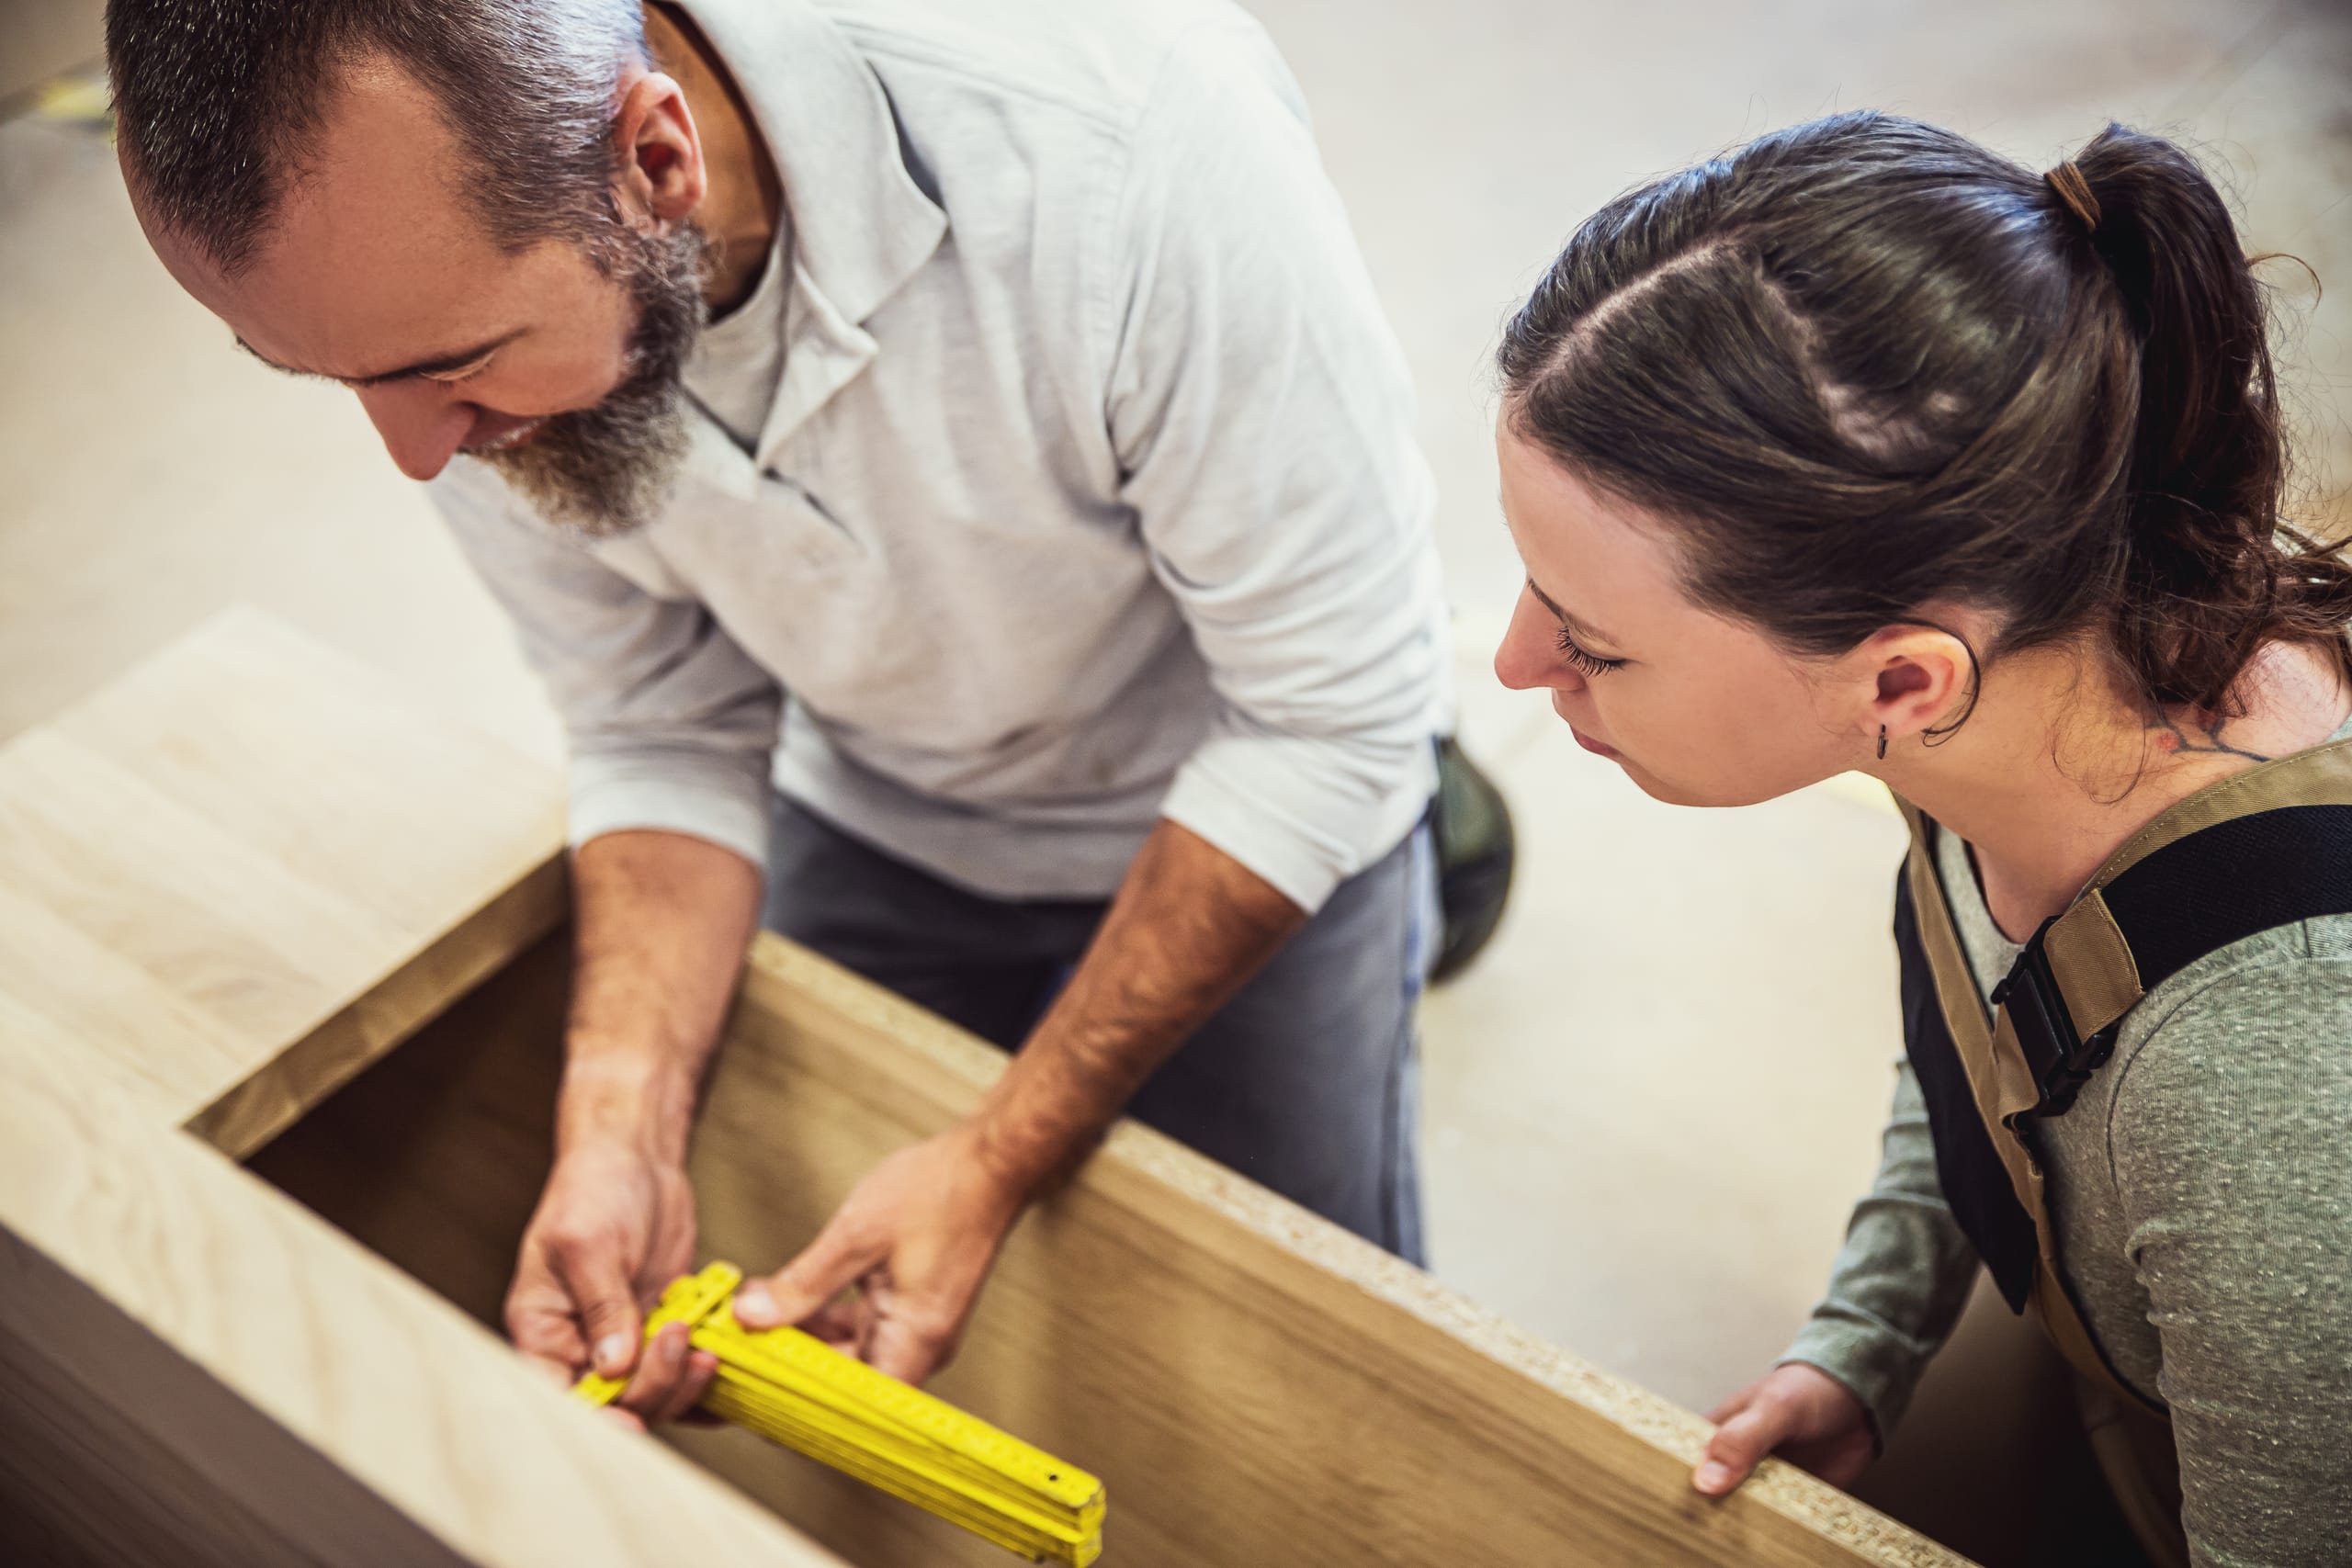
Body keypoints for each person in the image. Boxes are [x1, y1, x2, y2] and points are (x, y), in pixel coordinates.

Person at [104, 0, 1467, 1423]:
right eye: (332, 380)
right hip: (869, 794)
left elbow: (1327, 718)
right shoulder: (433, 298)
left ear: (655, 160)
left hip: (1253, 806)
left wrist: (998, 1152)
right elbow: (658, 721)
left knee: (1305, 1386)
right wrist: (619, 1120)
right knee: (830, 1291)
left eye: (447, 368)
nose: (413, 451)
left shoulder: (1132, 142)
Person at [1491, 111, 2352, 1564]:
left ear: (1902, 678)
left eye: (1592, 642)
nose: (1518, 665)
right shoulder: (2043, 636)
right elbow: (2005, 1013)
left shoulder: (2271, 1106)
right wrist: (1871, 1329)